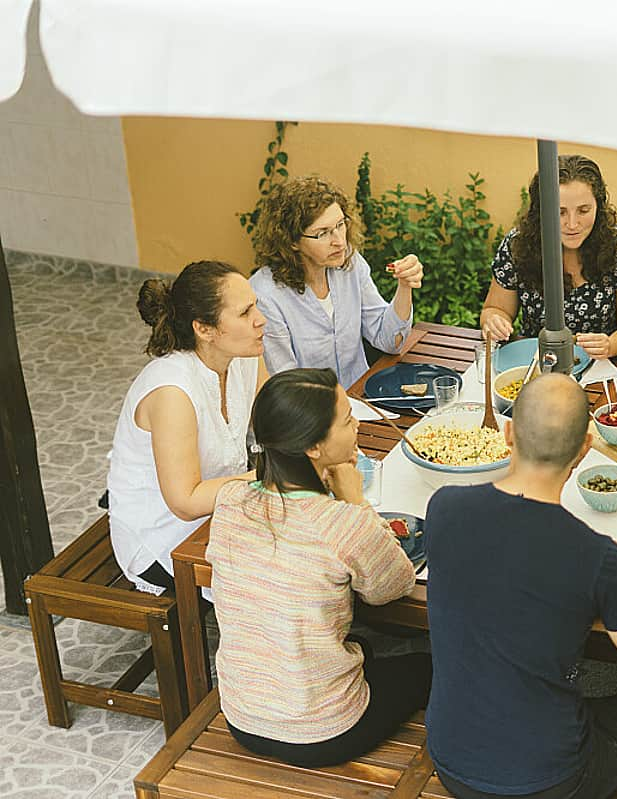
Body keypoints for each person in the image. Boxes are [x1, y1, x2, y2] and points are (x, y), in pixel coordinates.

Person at [423, 373, 617, 799]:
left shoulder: (443, 508)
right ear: (584, 449)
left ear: (507, 433)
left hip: (451, 760)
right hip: (552, 781)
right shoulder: (599, 558)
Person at [207, 368, 431, 767]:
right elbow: (394, 585)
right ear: (312, 447)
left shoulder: (229, 502)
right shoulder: (343, 522)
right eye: (347, 419)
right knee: (428, 663)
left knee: (359, 647)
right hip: (325, 732)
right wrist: (354, 501)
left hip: (241, 715)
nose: (357, 425)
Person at [107, 260, 268, 595]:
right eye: (244, 312)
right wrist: (276, 475)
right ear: (204, 329)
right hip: (162, 538)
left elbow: (279, 418)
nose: (260, 319)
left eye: (256, 305)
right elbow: (186, 502)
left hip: (223, 512)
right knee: (289, 565)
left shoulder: (245, 355)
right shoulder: (172, 392)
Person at [250, 175, 424, 387]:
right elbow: (286, 386)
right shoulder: (265, 295)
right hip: (312, 413)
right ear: (292, 241)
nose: (340, 241)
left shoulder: (349, 263)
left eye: (340, 225)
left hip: (361, 397)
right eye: (322, 233)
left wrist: (405, 286)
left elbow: (389, 341)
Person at [480, 154, 617, 359]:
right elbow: (495, 309)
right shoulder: (518, 244)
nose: (572, 224)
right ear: (540, 210)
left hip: (603, 364)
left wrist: (611, 344)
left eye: (583, 210)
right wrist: (494, 321)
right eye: (559, 212)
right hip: (537, 363)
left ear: (599, 205)